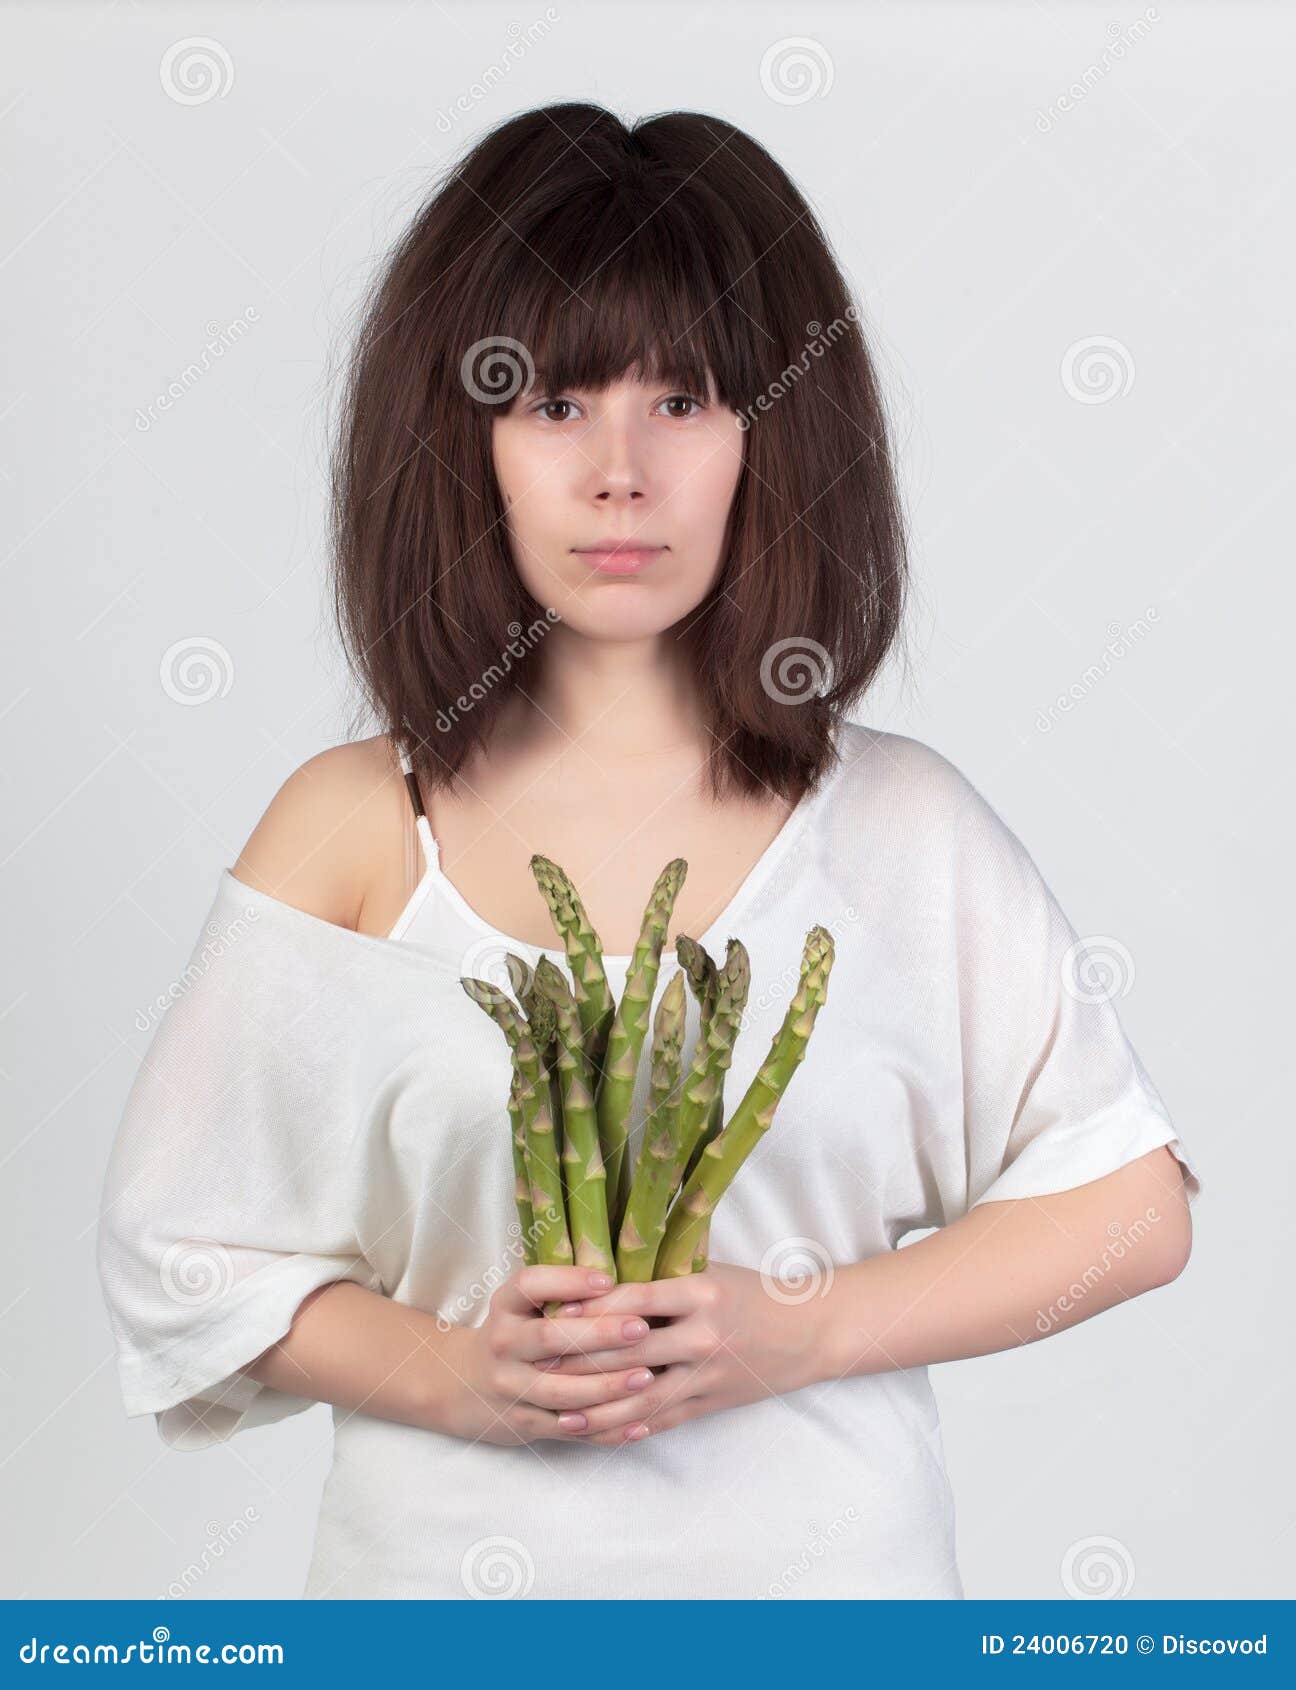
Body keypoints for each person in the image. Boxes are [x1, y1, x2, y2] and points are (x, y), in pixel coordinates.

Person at [96, 101, 1201, 1600]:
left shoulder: (903, 826)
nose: (621, 471)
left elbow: (1132, 1211)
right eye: (552, 403)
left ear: (778, 431)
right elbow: (184, 1257)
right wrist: (453, 1371)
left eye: (684, 400)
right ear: (461, 438)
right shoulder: (352, 825)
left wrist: (802, 1325)